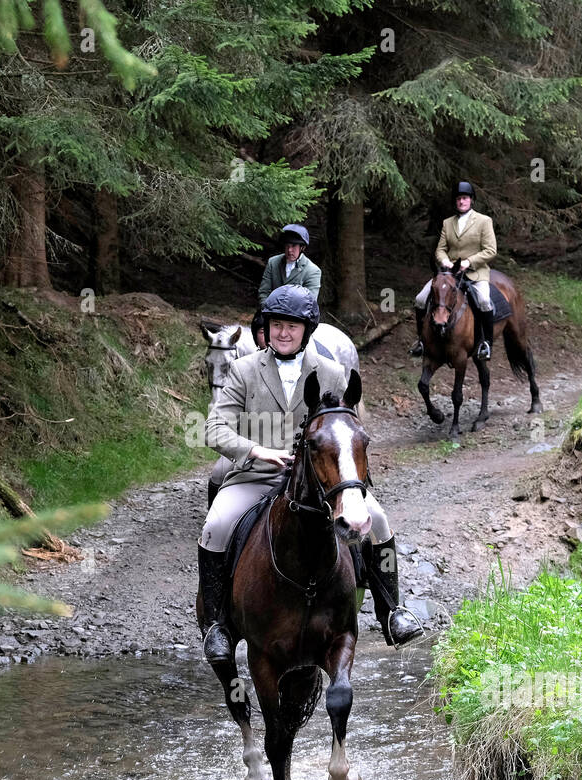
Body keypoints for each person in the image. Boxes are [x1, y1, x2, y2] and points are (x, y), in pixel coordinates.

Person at [198, 284, 424, 657]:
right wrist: (256, 450)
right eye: (276, 325)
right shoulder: (242, 370)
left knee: (379, 520)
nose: (283, 333)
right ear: (266, 328)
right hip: (257, 476)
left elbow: (350, 430)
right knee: (216, 525)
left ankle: (391, 612)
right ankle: (217, 625)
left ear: (307, 330)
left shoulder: (333, 372)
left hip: (321, 483)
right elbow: (214, 429)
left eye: (292, 326)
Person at [410, 182, 498, 360]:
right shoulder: (447, 223)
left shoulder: (484, 221)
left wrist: (468, 262)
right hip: (449, 274)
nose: (461, 201)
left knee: (483, 301)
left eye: (465, 198)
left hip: (475, 273)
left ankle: (486, 344)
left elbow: (490, 250)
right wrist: (443, 260)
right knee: (420, 299)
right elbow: (440, 249)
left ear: (471, 200)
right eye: (458, 199)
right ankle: (421, 341)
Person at [253, 224, 321, 349]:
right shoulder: (273, 262)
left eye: (294, 246)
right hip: (271, 315)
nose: (290, 250)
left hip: (297, 319)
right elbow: (264, 292)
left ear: (302, 247)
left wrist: (286, 319)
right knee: (258, 331)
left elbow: (309, 302)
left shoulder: (312, 271)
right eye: (287, 246)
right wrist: (271, 314)